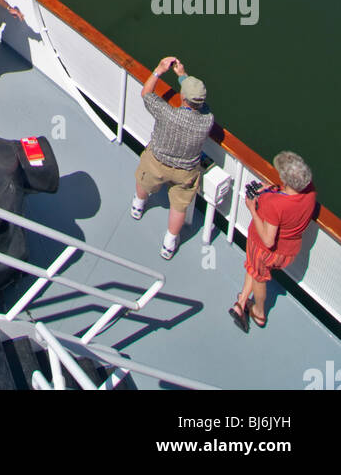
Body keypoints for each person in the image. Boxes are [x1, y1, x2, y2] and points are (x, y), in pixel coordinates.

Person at [131, 55, 213, 260]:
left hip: (157, 161)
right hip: (185, 171)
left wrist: (159, 69)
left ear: (182, 97)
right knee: (179, 206)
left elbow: (146, 93)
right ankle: (169, 242)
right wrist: (183, 76)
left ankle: (138, 205)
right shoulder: (207, 120)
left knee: (143, 178)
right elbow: (201, 106)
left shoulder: (167, 113)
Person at [229, 151, 316, 333]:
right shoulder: (310, 193)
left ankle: (259, 313)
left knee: (259, 277)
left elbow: (268, 240)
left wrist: (252, 208)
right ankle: (242, 301)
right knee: (253, 268)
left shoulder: (275, 204)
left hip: (263, 250)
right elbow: (290, 199)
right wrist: (273, 189)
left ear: (286, 180)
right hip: (288, 251)